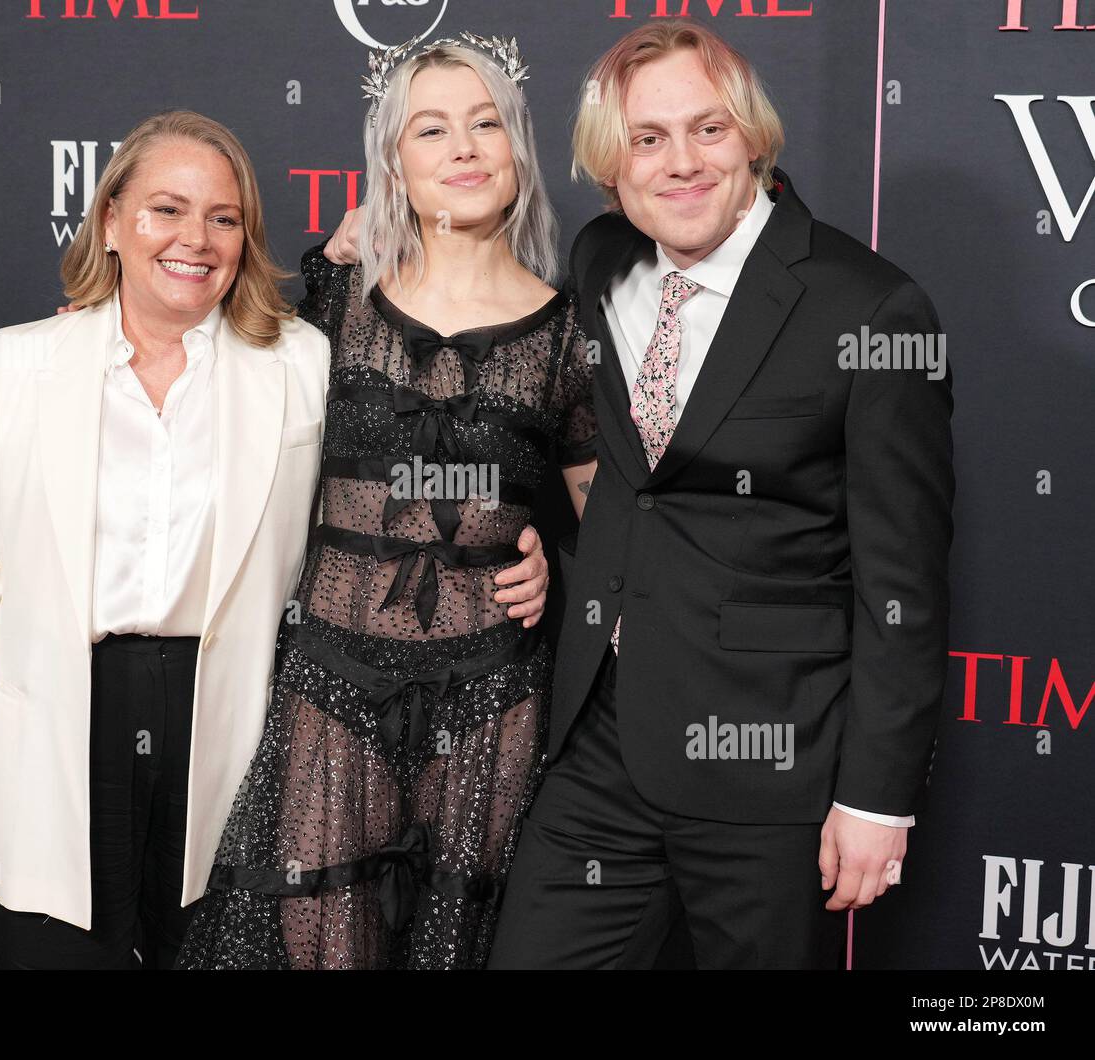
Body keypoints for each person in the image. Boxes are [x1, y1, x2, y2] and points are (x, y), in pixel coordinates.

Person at [485, 22, 954, 969]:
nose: (682, 163)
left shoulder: (870, 309)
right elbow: (600, 462)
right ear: (612, 164)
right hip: (601, 745)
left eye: (708, 130)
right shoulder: (601, 260)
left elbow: (904, 581)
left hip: (770, 771)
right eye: (648, 139)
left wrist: (876, 798)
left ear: (753, 138)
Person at [174, 33, 598, 969]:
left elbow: (618, 534)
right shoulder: (331, 300)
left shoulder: (572, 334)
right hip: (329, 688)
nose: (464, 148)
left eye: (487, 123)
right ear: (392, 165)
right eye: (432, 129)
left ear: (519, 149)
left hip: (496, 698)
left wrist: (554, 574)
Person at [0, 110, 333, 969]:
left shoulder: (301, 364)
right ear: (111, 221)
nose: (197, 239)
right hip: (61, 724)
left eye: (224, 218)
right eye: (166, 210)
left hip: (229, 723)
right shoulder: (20, 363)